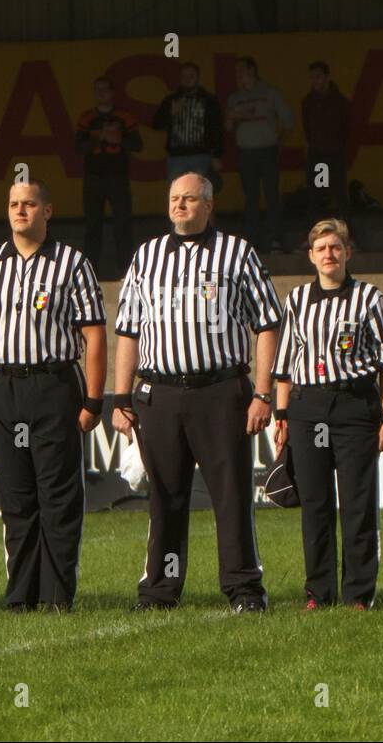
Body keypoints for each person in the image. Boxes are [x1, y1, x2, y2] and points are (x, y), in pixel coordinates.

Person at [112, 172, 281, 612]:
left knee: (231, 494)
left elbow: (266, 324)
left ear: (209, 204)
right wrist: (120, 398)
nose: (180, 206)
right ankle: (160, 589)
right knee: (164, 496)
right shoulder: (146, 256)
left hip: (221, 390)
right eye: (173, 198)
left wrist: (262, 394)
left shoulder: (237, 252)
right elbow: (128, 331)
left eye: (189, 198)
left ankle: (244, 588)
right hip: (161, 392)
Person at [0, 181, 107, 612]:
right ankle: (20, 597)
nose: (20, 211)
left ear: (48, 210)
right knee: (16, 496)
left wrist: (94, 401)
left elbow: (95, 336)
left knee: (58, 496)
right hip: (2, 388)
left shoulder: (73, 264)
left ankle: (58, 596)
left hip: (53, 386)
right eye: (13, 204)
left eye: (28, 204)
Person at [272, 219, 383, 610]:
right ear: (311, 256)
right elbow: (285, 365)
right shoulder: (295, 300)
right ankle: (318, 593)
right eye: (321, 248)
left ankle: (359, 594)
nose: (329, 254)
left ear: (347, 252)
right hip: (307, 408)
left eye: (335, 247)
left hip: (354, 406)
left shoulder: (370, 299)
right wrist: (281, 416)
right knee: (315, 504)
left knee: (358, 504)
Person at [226, 56, 293, 253]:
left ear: (252, 71)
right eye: (236, 72)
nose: (238, 76)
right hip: (245, 152)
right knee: (250, 198)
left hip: (268, 150)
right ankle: (252, 242)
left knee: (272, 195)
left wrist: (278, 142)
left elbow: (289, 121)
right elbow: (228, 127)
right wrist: (233, 116)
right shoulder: (234, 98)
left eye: (242, 71)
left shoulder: (270, 94)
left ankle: (275, 240)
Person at [75, 77, 142, 271]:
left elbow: (138, 145)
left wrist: (118, 139)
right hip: (93, 177)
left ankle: (126, 271)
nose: (102, 93)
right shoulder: (87, 118)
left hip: (118, 177)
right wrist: (100, 138)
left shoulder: (124, 116)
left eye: (105, 89)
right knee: (92, 226)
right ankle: (90, 271)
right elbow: (78, 148)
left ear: (113, 93)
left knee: (122, 224)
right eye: (98, 90)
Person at [152, 62, 223, 185]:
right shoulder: (171, 100)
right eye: (184, 76)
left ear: (198, 78)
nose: (188, 79)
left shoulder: (209, 100)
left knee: (199, 196)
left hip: (201, 155)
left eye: (191, 76)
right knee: (178, 197)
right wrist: (171, 113)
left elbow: (217, 128)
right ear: (180, 78)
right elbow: (156, 124)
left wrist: (217, 155)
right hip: (176, 156)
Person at [301, 61, 351, 225]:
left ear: (327, 78)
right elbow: (307, 129)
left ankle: (346, 233)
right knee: (319, 193)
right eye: (312, 78)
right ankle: (317, 231)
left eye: (318, 77)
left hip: (335, 155)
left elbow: (347, 129)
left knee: (339, 194)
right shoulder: (308, 102)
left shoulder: (339, 101)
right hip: (318, 157)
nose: (315, 81)